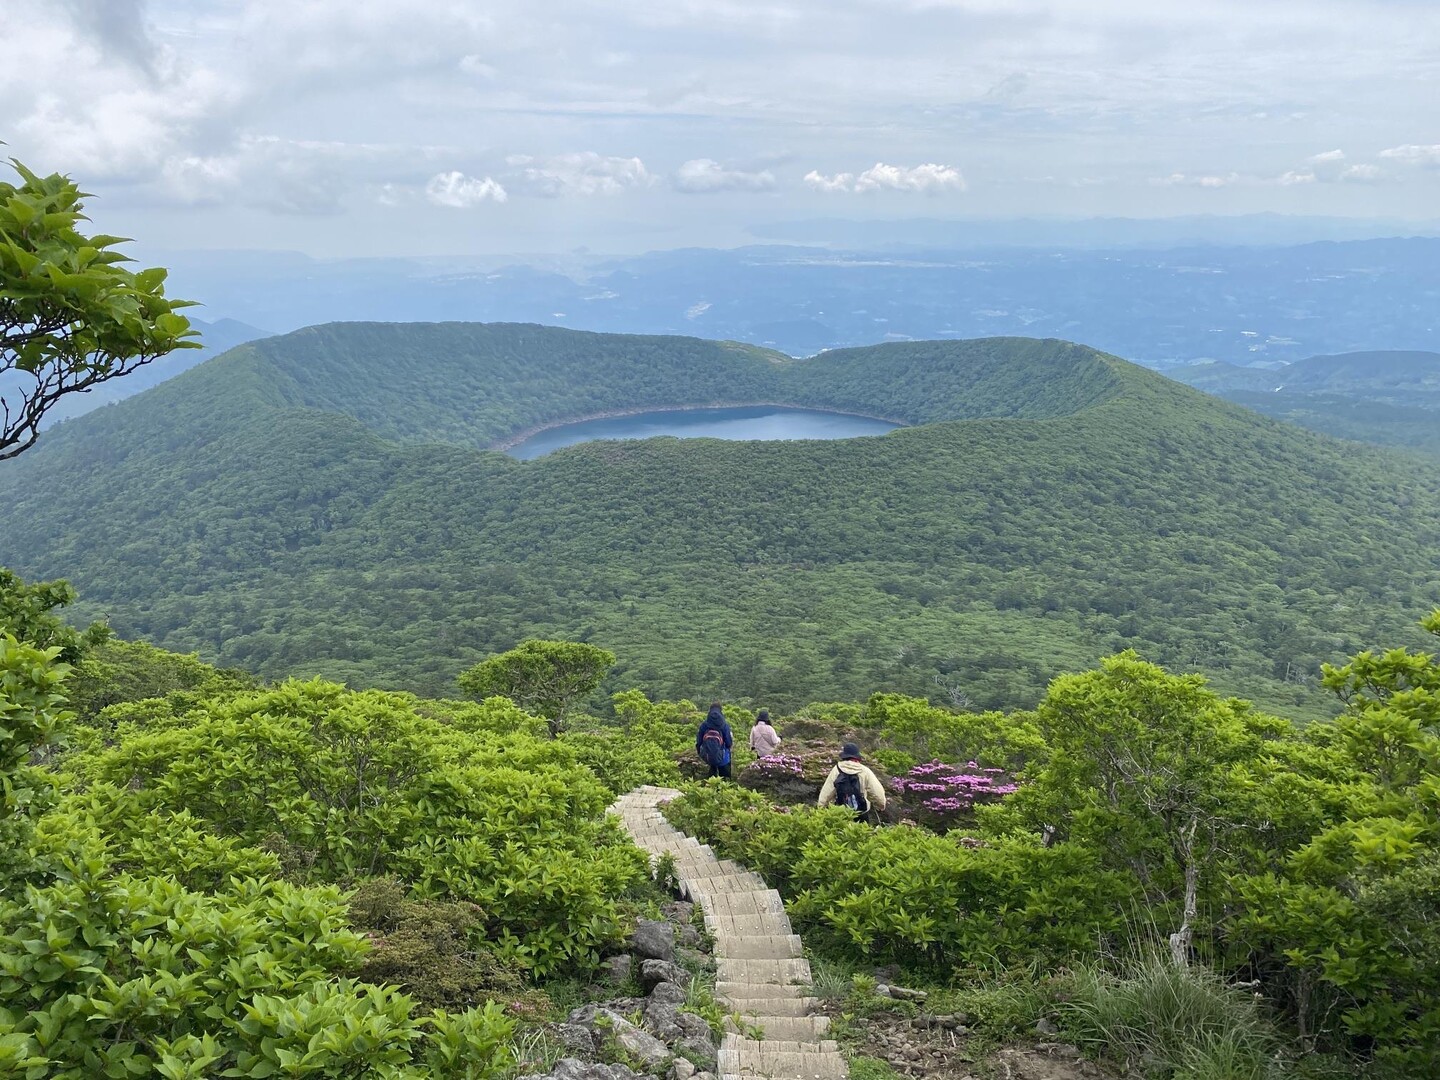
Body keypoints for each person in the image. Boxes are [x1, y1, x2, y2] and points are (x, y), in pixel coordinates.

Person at [817, 743, 887, 821]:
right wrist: (881, 806)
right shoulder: (864, 771)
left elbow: (827, 791)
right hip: (861, 813)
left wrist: (821, 808)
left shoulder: (837, 769)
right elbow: (877, 792)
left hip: (841, 812)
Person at [696, 701, 733, 779]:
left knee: (711, 778)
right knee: (725, 778)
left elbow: (699, 741)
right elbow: (729, 743)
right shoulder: (724, 725)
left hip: (708, 756)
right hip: (722, 757)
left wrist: (700, 752)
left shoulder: (704, 725)